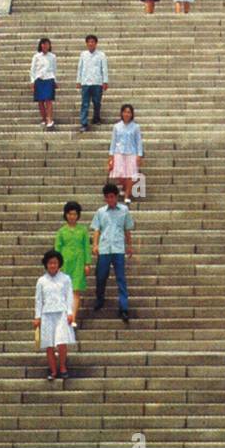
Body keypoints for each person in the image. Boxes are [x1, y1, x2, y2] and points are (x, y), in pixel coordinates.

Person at [90, 181, 135, 323]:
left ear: (116, 197)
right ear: (105, 198)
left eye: (112, 197)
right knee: (101, 276)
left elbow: (127, 229)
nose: (110, 200)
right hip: (104, 249)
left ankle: (124, 307)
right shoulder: (100, 212)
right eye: (107, 197)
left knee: (121, 278)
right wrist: (95, 245)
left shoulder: (124, 211)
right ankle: (100, 298)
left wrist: (129, 245)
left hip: (118, 249)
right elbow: (97, 230)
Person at [34, 249, 75, 381]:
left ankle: (63, 367)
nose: (53, 265)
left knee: (62, 342)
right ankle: (53, 370)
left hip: (61, 314)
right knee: (49, 344)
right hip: (46, 314)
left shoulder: (66, 279)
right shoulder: (41, 281)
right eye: (50, 263)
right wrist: (37, 317)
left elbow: (69, 296)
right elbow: (38, 300)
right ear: (46, 264)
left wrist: (70, 313)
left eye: (55, 263)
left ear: (59, 264)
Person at [54, 201, 91, 325]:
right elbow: (57, 248)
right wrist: (56, 264)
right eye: (70, 214)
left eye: (75, 214)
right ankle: (64, 316)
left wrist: (87, 263)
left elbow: (87, 247)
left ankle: (73, 318)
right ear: (66, 215)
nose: (72, 216)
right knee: (64, 290)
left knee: (76, 290)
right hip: (65, 262)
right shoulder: (61, 231)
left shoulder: (83, 231)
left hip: (79, 263)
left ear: (78, 215)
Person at [107, 103, 144, 203]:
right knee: (119, 174)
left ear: (132, 114)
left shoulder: (136, 127)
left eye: (129, 112)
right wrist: (111, 156)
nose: (127, 114)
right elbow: (113, 141)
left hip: (131, 153)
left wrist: (139, 155)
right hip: (119, 152)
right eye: (125, 112)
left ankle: (127, 196)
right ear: (122, 113)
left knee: (130, 175)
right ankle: (125, 187)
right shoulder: (117, 126)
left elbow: (138, 141)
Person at [76, 33, 108, 132]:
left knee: (97, 102)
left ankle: (96, 117)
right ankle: (84, 123)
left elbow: (104, 68)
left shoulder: (101, 54)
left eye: (93, 42)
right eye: (89, 42)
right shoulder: (83, 54)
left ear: (96, 43)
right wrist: (78, 80)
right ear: (86, 43)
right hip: (85, 82)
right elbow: (80, 68)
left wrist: (105, 81)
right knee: (85, 103)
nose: (91, 44)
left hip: (97, 82)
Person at [30, 37, 57, 130]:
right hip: (39, 79)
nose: (45, 46)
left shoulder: (53, 56)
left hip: (49, 79)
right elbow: (33, 70)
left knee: (48, 100)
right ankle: (44, 118)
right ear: (40, 45)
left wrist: (55, 80)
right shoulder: (36, 56)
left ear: (49, 46)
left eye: (47, 44)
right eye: (43, 44)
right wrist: (32, 81)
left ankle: (49, 119)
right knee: (40, 101)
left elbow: (54, 69)